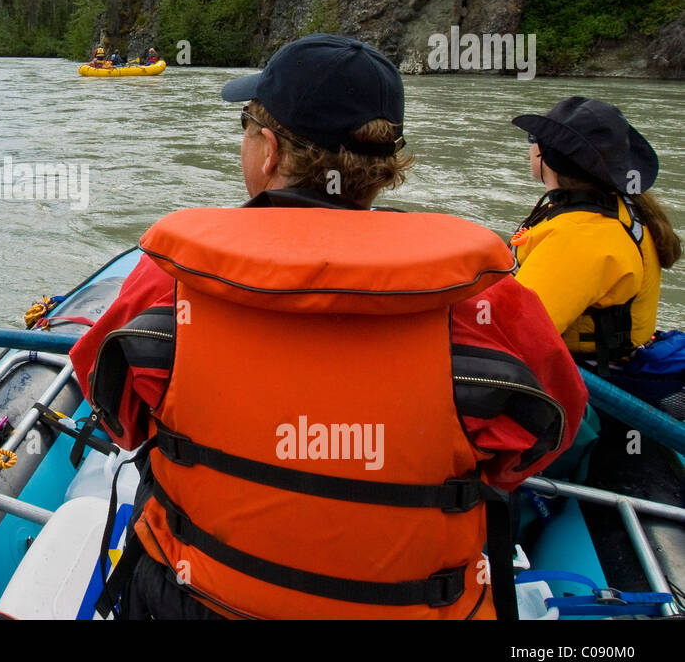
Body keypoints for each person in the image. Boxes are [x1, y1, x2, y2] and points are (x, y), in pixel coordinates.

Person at [70, 33, 587, 620]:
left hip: (192, 603)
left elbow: (115, 410)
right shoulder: (490, 302)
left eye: (245, 125)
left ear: (267, 150)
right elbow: (545, 437)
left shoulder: (171, 280)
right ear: (385, 166)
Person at [510, 97, 681, 378]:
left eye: (533, 139)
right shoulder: (620, 206)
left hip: (587, 378)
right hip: (615, 359)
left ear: (545, 156)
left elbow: (514, 333)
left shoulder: (580, 237)